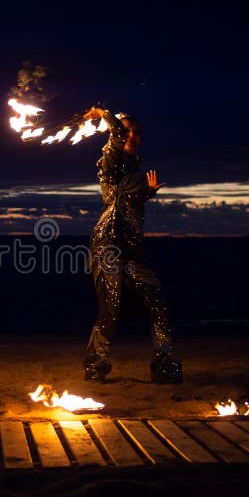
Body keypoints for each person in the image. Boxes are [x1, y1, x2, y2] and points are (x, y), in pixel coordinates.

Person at [81, 106, 182, 384]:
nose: (131, 135)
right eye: (126, 131)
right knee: (110, 309)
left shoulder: (136, 170)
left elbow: (126, 205)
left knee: (156, 299)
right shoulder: (109, 161)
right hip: (108, 248)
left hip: (132, 250)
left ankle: (166, 364)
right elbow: (114, 134)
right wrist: (104, 112)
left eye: (136, 132)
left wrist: (147, 194)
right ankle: (95, 364)